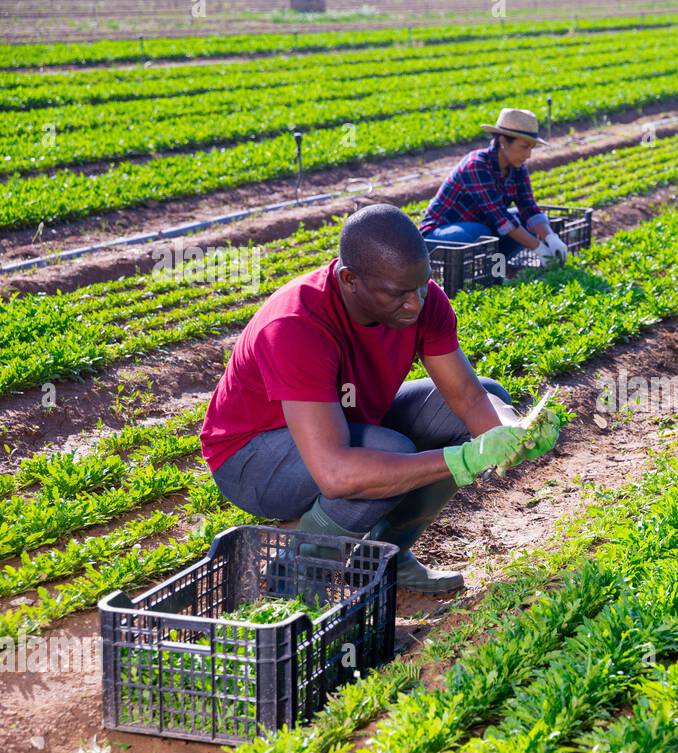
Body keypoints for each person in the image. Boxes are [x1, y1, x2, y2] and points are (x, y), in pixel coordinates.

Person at [199, 204, 561, 594]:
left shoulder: (421, 300)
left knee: (492, 395)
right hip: (251, 459)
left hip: (345, 423)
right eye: (399, 293)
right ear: (350, 279)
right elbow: (336, 474)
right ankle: (298, 576)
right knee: (389, 453)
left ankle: (381, 558)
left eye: (422, 286)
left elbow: (471, 400)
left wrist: (514, 432)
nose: (416, 303)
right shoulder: (297, 325)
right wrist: (461, 460)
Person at [418, 107, 569, 268]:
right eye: (524, 147)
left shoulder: (517, 168)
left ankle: (495, 269)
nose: (528, 155)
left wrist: (550, 237)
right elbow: (501, 217)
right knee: (482, 232)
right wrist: (538, 247)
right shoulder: (476, 165)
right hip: (438, 236)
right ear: (503, 141)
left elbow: (529, 208)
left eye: (532, 148)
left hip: (480, 227)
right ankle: (483, 269)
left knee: (522, 221)